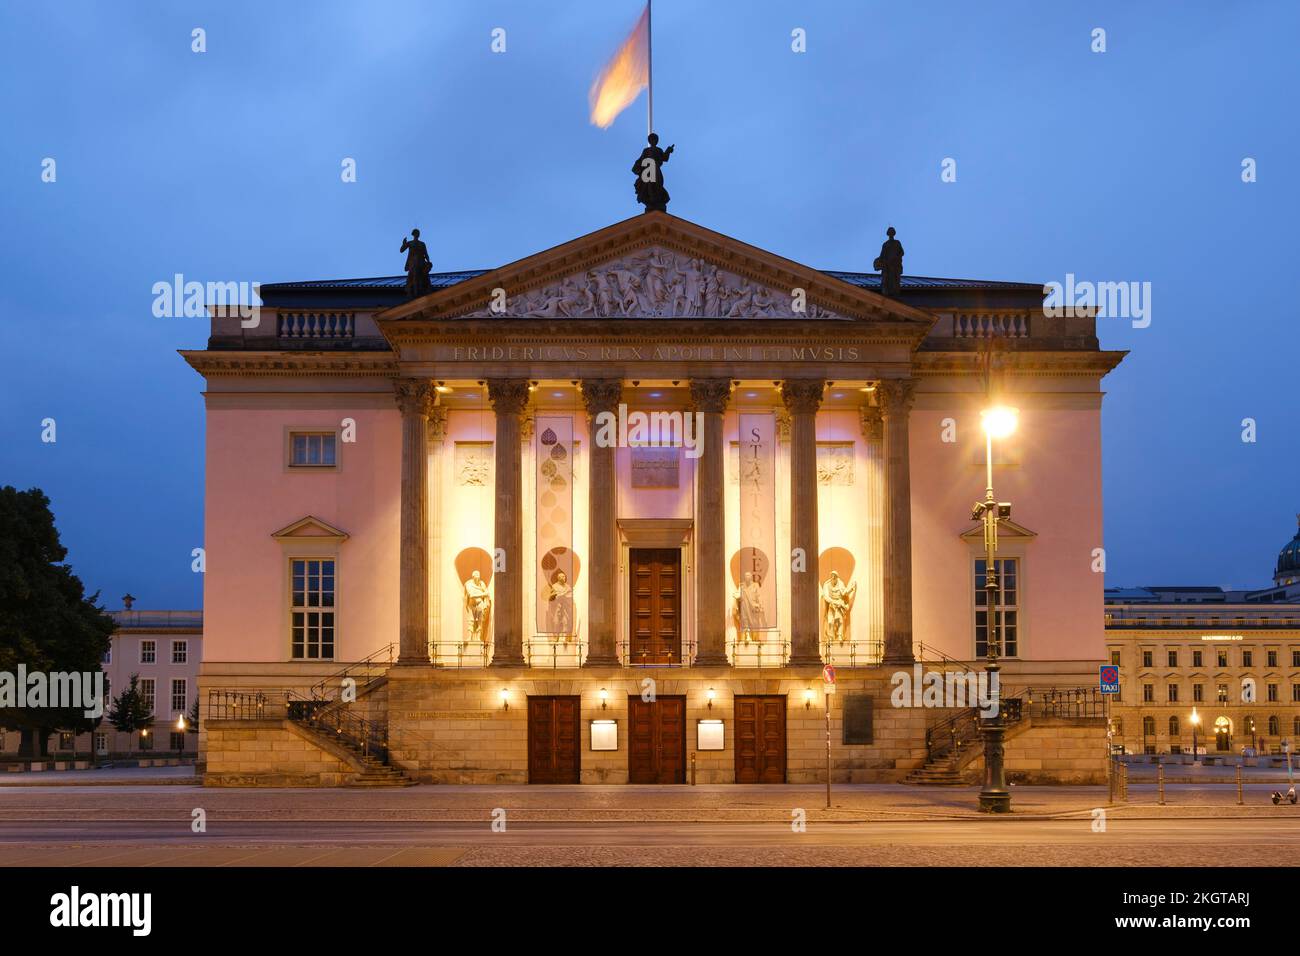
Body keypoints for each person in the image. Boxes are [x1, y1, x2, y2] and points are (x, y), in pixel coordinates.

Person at [632, 133, 675, 212]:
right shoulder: (646, 150)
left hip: (656, 170)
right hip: (648, 170)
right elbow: (640, 161)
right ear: (650, 141)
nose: (653, 141)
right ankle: (652, 201)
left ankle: (656, 201)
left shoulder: (659, 150)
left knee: (657, 184)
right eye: (652, 140)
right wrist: (638, 170)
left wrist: (668, 151)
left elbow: (664, 158)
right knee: (650, 185)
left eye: (655, 140)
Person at [820, 571, 858, 642]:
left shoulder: (840, 584)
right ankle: (831, 636)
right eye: (832, 576)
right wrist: (833, 602)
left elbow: (844, 593)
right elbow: (826, 596)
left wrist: (851, 589)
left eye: (835, 576)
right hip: (832, 605)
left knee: (840, 621)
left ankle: (840, 635)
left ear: (837, 577)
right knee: (830, 621)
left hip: (839, 604)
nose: (833, 578)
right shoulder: (827, 585)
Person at [400, 228, 432, 299]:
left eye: (418, 233)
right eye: (416, 233)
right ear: (414, 234)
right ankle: (415, 291)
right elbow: (401, 250)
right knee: (414, 276)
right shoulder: (410, 243)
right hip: (413, 262)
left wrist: (428, 261)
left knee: (423, 275)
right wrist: (404, 244)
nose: (417, 234)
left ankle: (422, 289)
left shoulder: (422, 244)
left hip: (421, 261)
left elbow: (426, 254)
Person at [873, 226, 904, 297]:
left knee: (895, 280)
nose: (891, 234)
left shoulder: (897, 242)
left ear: (894, 233)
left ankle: (894, 293)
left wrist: (896, 258)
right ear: (888, 234)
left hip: (895, 265)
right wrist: (878, 263)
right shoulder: (885, 244)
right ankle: (889, 293)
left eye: (892, 232)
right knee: (887, 280)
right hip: (888, 265)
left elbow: (902, 252)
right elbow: (882, 255)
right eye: (890, 232)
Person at [734, 571, 766, 641]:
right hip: (744, 606)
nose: (747, 577)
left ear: (751, 577)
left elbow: (759, 596)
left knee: (754, 623)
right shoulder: (741, 586)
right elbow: (737, 594)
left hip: (753, 607)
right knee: (744, 622)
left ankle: (755, 639)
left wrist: (760, 605)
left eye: (748, 575)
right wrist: (737, 597)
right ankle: (745, 639)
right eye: (746, 576)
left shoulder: (755, 585)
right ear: (744, 577)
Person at [545, 570, 574, 641]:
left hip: (565, 608)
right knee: (556, 622)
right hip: (557, 607)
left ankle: (566, 638)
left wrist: (564, 595)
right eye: (561, 576)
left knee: (566, 622)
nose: (563, 578)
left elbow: (570, 596)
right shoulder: (554, 586)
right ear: (558, 578)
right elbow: (552, 597)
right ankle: (556, 638)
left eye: (564, 576)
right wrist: (562, 594)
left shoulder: (568, 587)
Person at [464, 570, 491, 643]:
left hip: (480, 603)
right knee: (471, 620)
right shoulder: (468, 584)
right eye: (476, 576)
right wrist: (482, 594)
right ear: (473, 577)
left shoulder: (481, 583)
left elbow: (487, 593)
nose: (477, 579)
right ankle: (469, 637)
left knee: (480, 621)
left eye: (478, 576)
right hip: (471, 605)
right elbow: (471, 595)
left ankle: (479, 638)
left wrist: (480, 594)